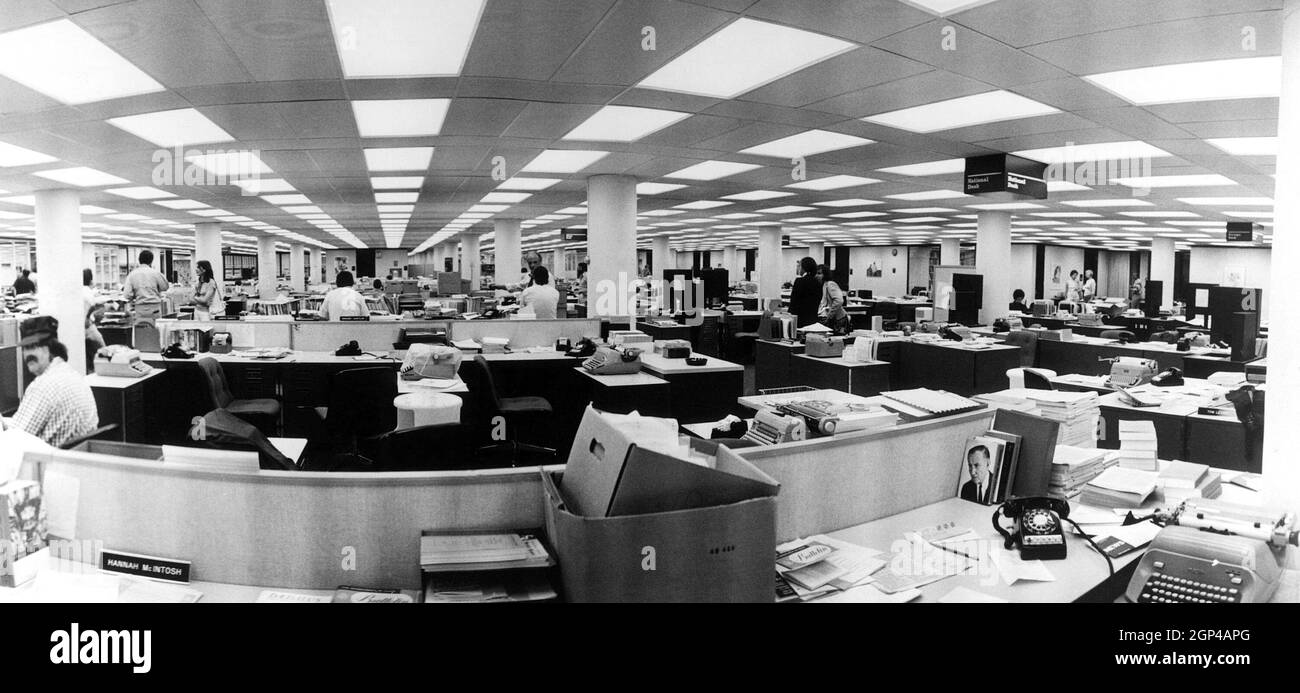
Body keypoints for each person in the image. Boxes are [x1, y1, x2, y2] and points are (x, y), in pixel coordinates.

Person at [0, 316, 98, 448]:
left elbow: (14, 442)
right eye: (26, 347)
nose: (29, 353)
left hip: (49, 464)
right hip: (73, 460)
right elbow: (23, 423)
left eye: (36, 346)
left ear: (52, 348)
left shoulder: (44, 386)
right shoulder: (70, 374)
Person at [123, 250, 169, 327]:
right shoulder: (156, 273)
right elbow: (165, 287)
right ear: (151, 261)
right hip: (155, 308)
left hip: (140, 309)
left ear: (139, 260)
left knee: (141, 332)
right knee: (155, 332)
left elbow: (127, 295)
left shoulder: (132, 274)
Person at [789, 257, 821, 328]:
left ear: (804, 268)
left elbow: (794, 302)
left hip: (799, 319)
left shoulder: (799, 281)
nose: (797, 268)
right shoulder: (817, 282)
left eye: (799, 266)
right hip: (813, 319)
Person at [83, 269, 105, 371]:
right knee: (102, 348)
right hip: (88, 325)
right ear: (90, 279)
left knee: (87, 352)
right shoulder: (87, 290)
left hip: (79, 326)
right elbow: (92, 305)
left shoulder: (79, 290)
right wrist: (87, 318)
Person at [815, 264, 848, 332]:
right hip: (830, 318)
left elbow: (839, 300)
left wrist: (830, 315)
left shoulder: (830, 284)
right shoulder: (823, 285)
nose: (816, 276)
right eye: (816, 273)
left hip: (838, 319)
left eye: (819, 273)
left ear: (825, 274)